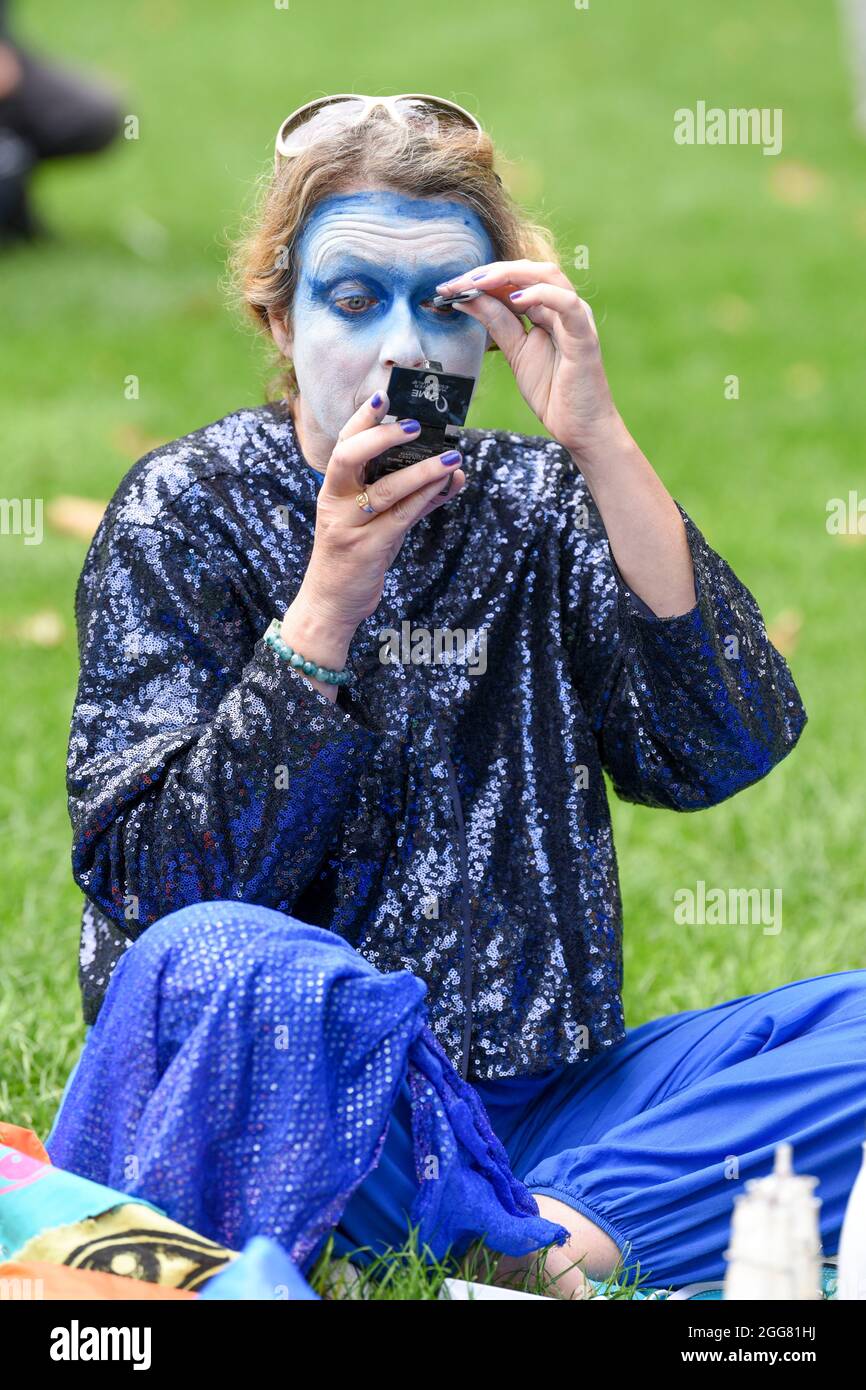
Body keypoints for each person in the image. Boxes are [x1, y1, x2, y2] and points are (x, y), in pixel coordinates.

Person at [46, 94, 866, 1298]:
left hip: (549, 1104)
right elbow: (154, 889)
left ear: (497, 324)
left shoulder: (534, 499)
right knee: (224, 957)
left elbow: (719, 743)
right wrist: (323, 606)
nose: (399, 350)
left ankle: (545, 1239)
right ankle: (523, 1233)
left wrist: (597, 437)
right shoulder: (182, 510)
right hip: (316, 1098)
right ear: (276, 314)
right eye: (352, 298)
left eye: (443, 307)